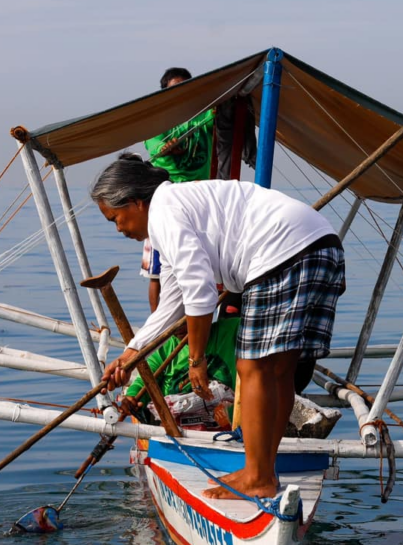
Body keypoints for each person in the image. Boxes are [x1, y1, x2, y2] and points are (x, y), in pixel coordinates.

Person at [93, 154, 344, 501]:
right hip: (322, 246)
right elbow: (173, 302)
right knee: (279, 371)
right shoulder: (176, 210)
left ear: (135, 202)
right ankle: (263, 471)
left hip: (281, 252)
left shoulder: (165, 212)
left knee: (252, 368)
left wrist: (197, 360)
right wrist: (131, 354)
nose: (119, 229)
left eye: (116, 219)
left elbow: (200, 293)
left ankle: (257, 477)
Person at [140, 67, 215, 312]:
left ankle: (195, 323)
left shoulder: (203, 116)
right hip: (165, 205)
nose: (181, 93)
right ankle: (161, 327)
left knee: (200, 267)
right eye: (175, 89)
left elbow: (221, 107)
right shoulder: (157, 121)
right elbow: (159, 147)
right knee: (157, 272)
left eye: (186, 88)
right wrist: (170, 147)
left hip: (198, 203)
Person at [119, 298, 241, 430]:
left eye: (186, 317)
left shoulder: (231, 330)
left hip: (228, 431)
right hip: (177, 432)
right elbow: (144, 380)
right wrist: (131, 397)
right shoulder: (164, 347)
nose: (179, 327)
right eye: (173, 320)